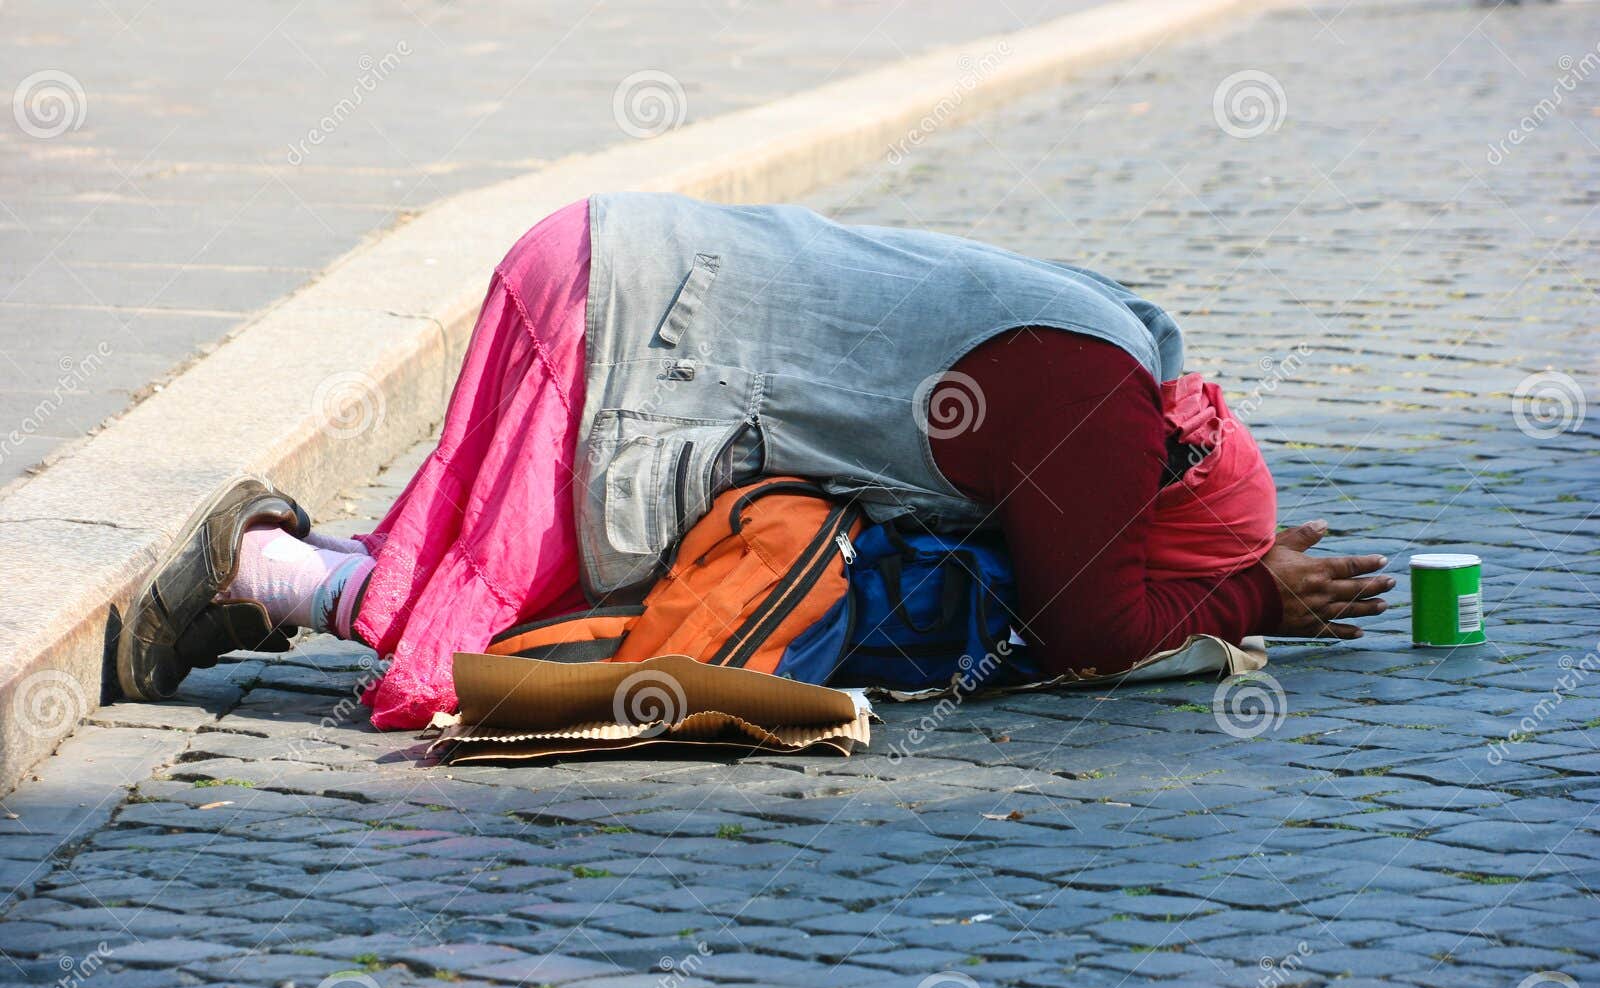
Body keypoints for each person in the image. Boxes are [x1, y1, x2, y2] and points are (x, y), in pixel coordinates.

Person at [117, 194, 1393, 729]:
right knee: (505, 613)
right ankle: (258, 568)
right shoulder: (1104, 435)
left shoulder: (1130, 380)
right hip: (632, 323)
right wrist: (1250, 597)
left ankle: (279, 555)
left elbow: (1116, 539)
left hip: (610, 251)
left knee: (494, 550)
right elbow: (1089, 622)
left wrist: (1225, 552)